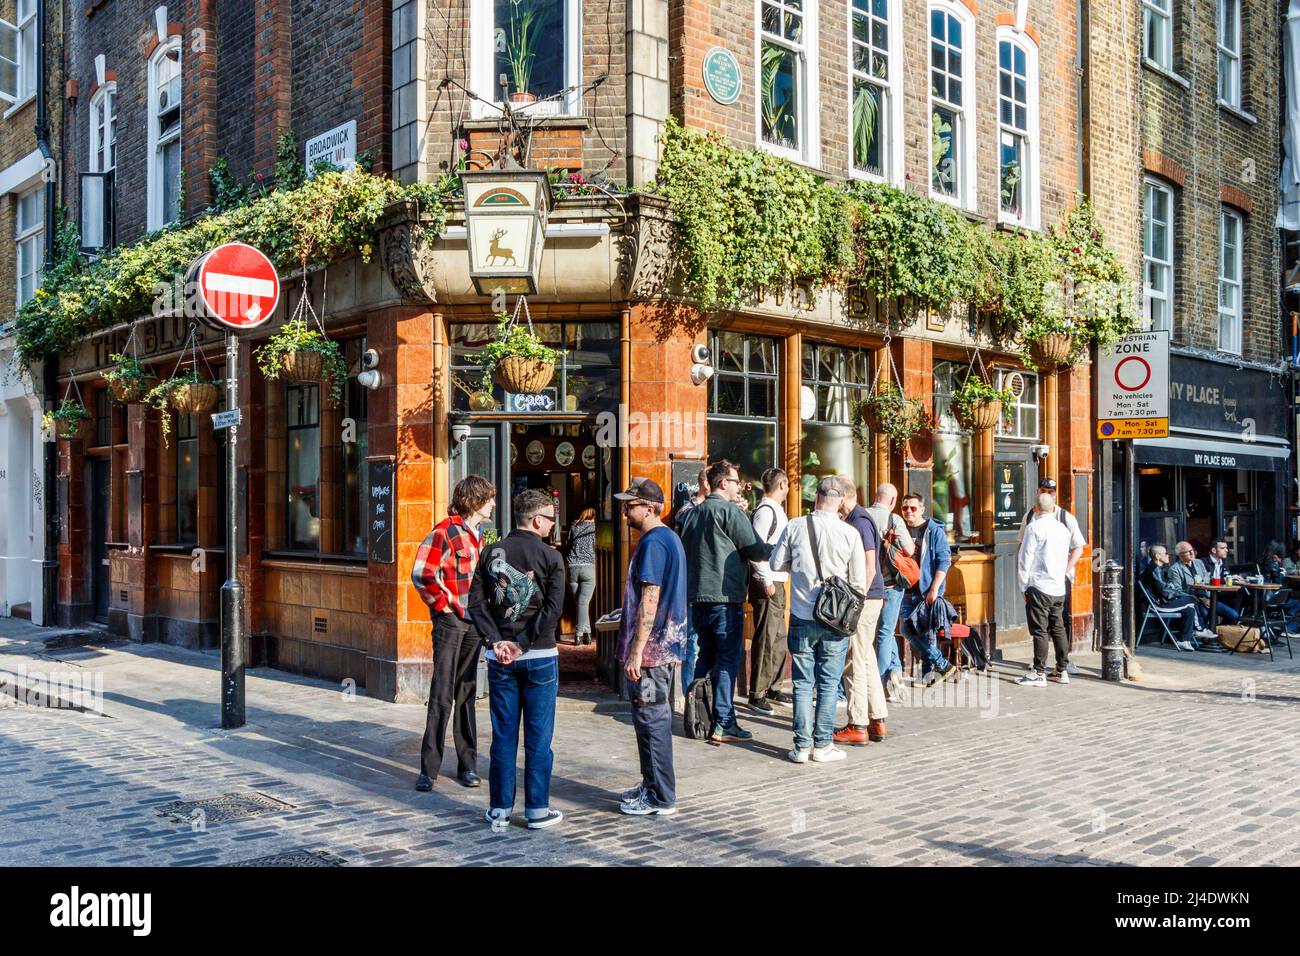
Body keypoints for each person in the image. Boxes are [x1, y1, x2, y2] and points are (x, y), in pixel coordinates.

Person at [471, 489, 567, 831]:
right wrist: (523, 643)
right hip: (539, 655)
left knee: (504, 735)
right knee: (539, 738)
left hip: (501, 659)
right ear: (538, 520)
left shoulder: (489, 552)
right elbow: (553, 609)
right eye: (551, 519)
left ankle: (499, 809)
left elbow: (476, 604)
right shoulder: (551, 557)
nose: (553, 526)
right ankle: (537, 810)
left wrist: (498, 642)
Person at [768, 476, 866, 763]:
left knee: (801, 683)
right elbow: (858, 583)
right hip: (835, 621)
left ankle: (800, 747)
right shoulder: (850, 534)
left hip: (800, 615)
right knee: (828, 682)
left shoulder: (795, 526)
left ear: (816, 498)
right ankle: (823, 746)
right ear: (840, 502)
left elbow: (775, 564)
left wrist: (799, 570)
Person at [675, 459, 772, 743]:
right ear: (722, 483)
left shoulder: (690, 515)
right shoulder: (730, 512)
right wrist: (778, 548)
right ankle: (724, 722)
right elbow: (756, 551)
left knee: (705, 657)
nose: (738, 486)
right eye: (734, 481)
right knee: (728, 659)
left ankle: (698, 718)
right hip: (725, 597)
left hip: (697, 598)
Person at [410, 474, 496, 791]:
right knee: (442, 694)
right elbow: (421, 573)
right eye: (489, 498)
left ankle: (467, 766)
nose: (493, 504)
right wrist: (442, 604)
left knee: (467, 694)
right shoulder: (444, 532)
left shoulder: (480, 536)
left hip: (473, 622)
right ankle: (428, 770)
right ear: (475, 500)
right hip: (451, 622)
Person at [614, 478, 687, 816]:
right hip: (660, 647)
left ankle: (660, 796)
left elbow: (651, 596)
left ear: (649, 507)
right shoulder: (666, 538)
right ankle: (651, 784)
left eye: (630, 505)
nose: (625, 510)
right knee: (649, 720)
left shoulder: (655, 542)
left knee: (652, 721)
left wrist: (636, 649)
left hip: (653, 651)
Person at [833, 476, 889, 744]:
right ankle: (877, 719)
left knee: (854, 659)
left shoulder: (860, 522)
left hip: (865, 599)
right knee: (865, 658)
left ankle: (857, 723)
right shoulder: (857, 519)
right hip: (871, 597)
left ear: (843, 498)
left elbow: (869, 566)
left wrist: (856, 600)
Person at [1016, 477, 1086, 672]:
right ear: (1039, 491)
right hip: (1038, 581)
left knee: (1058, 624)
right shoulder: (1029, 517)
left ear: (1056, 494)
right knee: (1046, 626)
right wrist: (1023, 579)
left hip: (1059, 580)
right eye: (1044, 489)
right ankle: (1055, 665)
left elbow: (1079, 547)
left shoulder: (1065, 518)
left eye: (1051, 490)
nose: (1047, 492)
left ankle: (1057, 664)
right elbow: (1022, 547)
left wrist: (1064, 570)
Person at [898, 493, 957, 684]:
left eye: (913, 508)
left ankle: (929, 676)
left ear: (922, 510)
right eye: (905, 508)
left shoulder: (933, 531)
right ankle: (942, 666)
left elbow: (944, 561)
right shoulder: (900, 529)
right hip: (905, 590)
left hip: (926, 591)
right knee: (909, 630)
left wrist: (934, 589)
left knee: (925, 633)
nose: (908, 512)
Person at [747, 467, 791, 715]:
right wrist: (766, 580)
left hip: (777, 580)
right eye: (787, 484)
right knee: (766, 637)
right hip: (768, 582)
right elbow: (756, 550)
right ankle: (757, 693)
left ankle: (773, 686)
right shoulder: (765, 512)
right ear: (782, 485)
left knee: (777, 636)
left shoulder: (776, 511)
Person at [864, 482, 914, 701]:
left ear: (876, 496)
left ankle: (893, 670)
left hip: (866, 585)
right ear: (893, 501)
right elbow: (910, 550)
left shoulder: (862, 516)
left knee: (870, 633)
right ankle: (882, 683)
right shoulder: (894, 520)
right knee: (885, 632)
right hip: (891, 584)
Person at [672, 467, 710, 695]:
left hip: (705, 585)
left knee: (700, 644)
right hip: (692, 585)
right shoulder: (687, 511)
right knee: (692, 644)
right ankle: (691, 698)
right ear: (707, 484)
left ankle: (702, 697)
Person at [1139, 545, 1211, 651]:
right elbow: (1164, 593)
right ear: (1158, 556)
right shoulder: (1154, 570)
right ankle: (1200, 629)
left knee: (1190, 609)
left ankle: (1183, 640)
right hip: (1160, 605)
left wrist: (1176, 592)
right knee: (1192, 599)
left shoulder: (1159, 568)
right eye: (1166, 553)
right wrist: (1180, 594)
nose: (1168, 555)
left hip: (1165, 601)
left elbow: (1166, 589)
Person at [566, 506, 597, 645]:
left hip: (572, 567)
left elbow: (568, 543)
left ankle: (587, 634)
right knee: (583, 603)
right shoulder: (596, 528)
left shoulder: (574, 526)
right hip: (588, 567)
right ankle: (579, 635)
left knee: (580, 603)